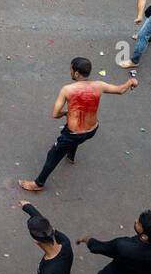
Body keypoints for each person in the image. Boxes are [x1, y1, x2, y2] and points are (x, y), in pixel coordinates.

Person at [20, 57, 137, 193]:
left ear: (76, 73)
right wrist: (131, 81)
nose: (69, 71)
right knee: (76, 138)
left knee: (53, 154)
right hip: (92, 129)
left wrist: (65, 113)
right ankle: (70, 156)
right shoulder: (99, 85)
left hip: (73, 134)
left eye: (70, 69)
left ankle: (38, 183)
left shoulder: (67, 89)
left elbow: (55, 114)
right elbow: (120, 90)